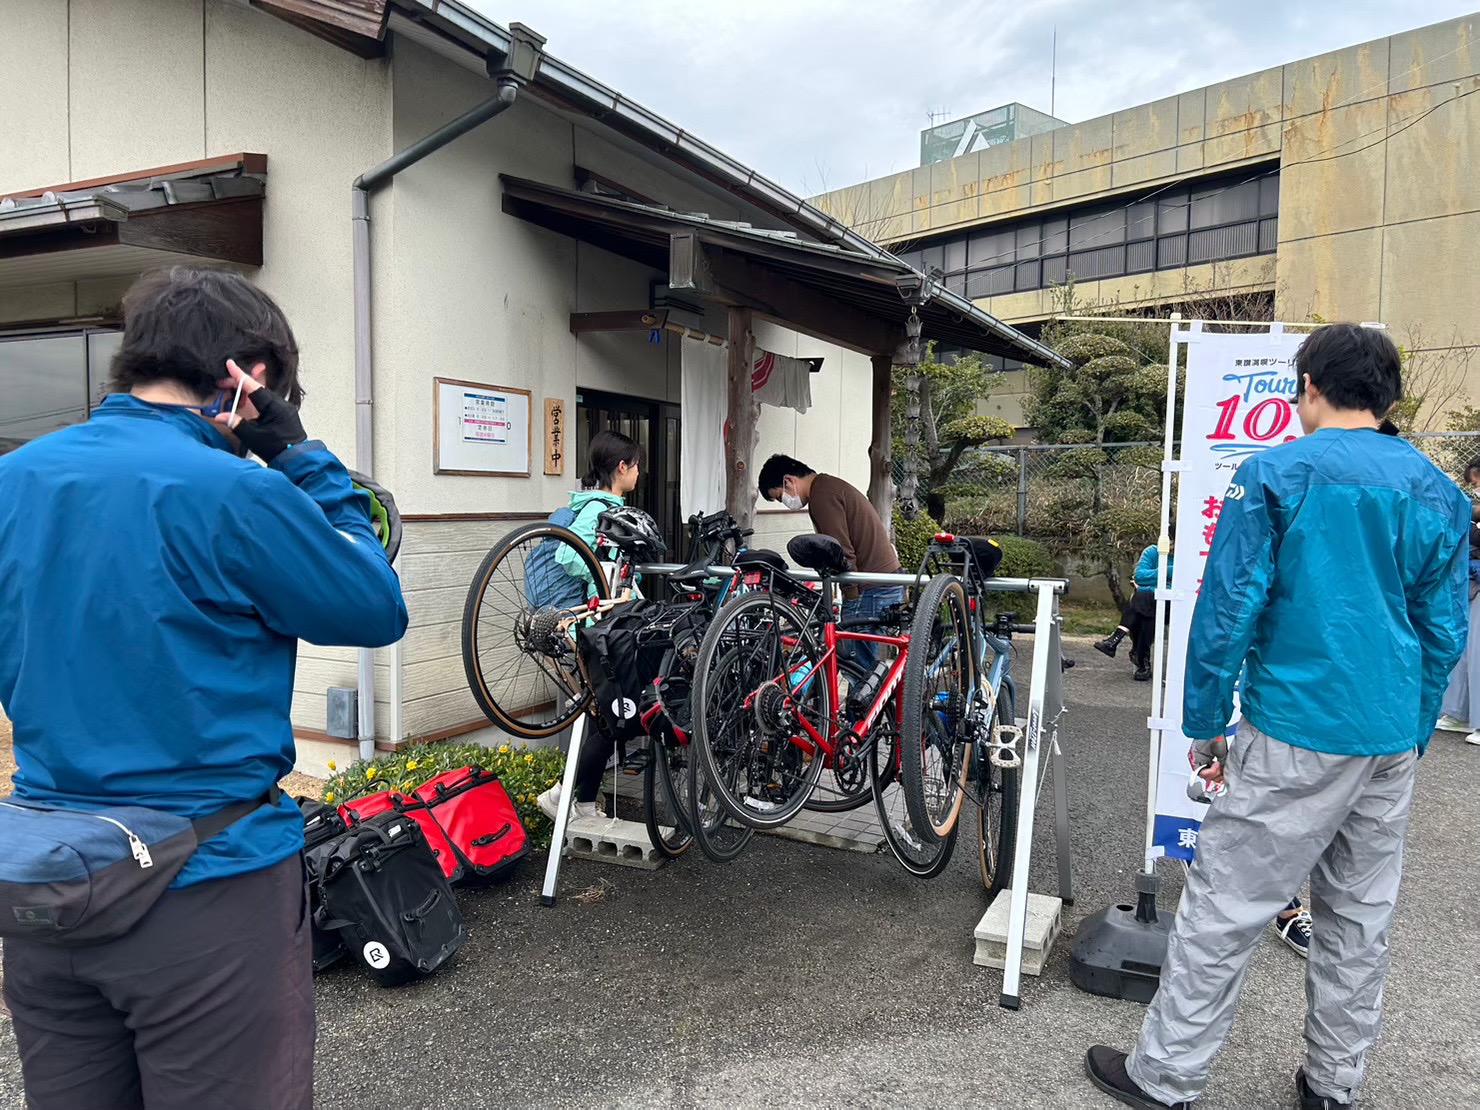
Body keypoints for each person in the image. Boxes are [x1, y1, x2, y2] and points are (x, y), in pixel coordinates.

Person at [0, 268, 409, 1109]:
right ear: (246, 377)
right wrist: (301, 458)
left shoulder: (16, 479)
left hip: (44, 876)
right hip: (205, 881)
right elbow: (373, 604)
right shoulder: (236, 490)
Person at [1086, 323, 1469, 1110]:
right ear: (1391, 397)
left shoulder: (1276, 473)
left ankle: (1166, 1077)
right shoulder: (1440, 491)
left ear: (1310, 388)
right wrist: (1416, 723)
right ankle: (1334, 1087)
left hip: (1295, 727)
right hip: (1388, 736)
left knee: (1225, 908)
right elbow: (1442, 631)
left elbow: (1227, 611)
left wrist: (1203, 722)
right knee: (1358, 921)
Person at [537, 430, 644, 823]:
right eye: (636, 466)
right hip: (596, 628)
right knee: (610, 715)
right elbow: (570, 554)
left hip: (602, 625)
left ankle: (581, 802)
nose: (639, 474)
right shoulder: (599, 505)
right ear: (622, 467)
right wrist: (608, 584)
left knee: (603, 714)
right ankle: (562, 795)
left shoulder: (603, 503)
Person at [756, 454, 904, 669]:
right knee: (867, 668)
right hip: (882, 581)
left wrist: (851, 597)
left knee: (857, 668)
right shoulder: (828, 486)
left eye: (780, 497)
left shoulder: (822, 496)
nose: (785, 503)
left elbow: (842, 552)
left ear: (788, 481)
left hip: (868, 587)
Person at [1436, 454, 1480, 745]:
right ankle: (1459, 712)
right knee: (1466, 650)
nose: (1475, 487)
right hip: (1472, 582)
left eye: (1477, 481)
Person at [1096, 526, 1176, 681]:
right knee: (1147, 610)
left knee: (1143, 596)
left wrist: (1153, 583)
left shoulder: (1188, 556)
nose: (1171, 546)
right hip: (1151, 603)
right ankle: (1141, 660)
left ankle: (1119, 641)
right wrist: (1168, 573)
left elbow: (1183, 581)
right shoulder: (1152, 552)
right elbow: (1139, 576)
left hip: (1172, 605)